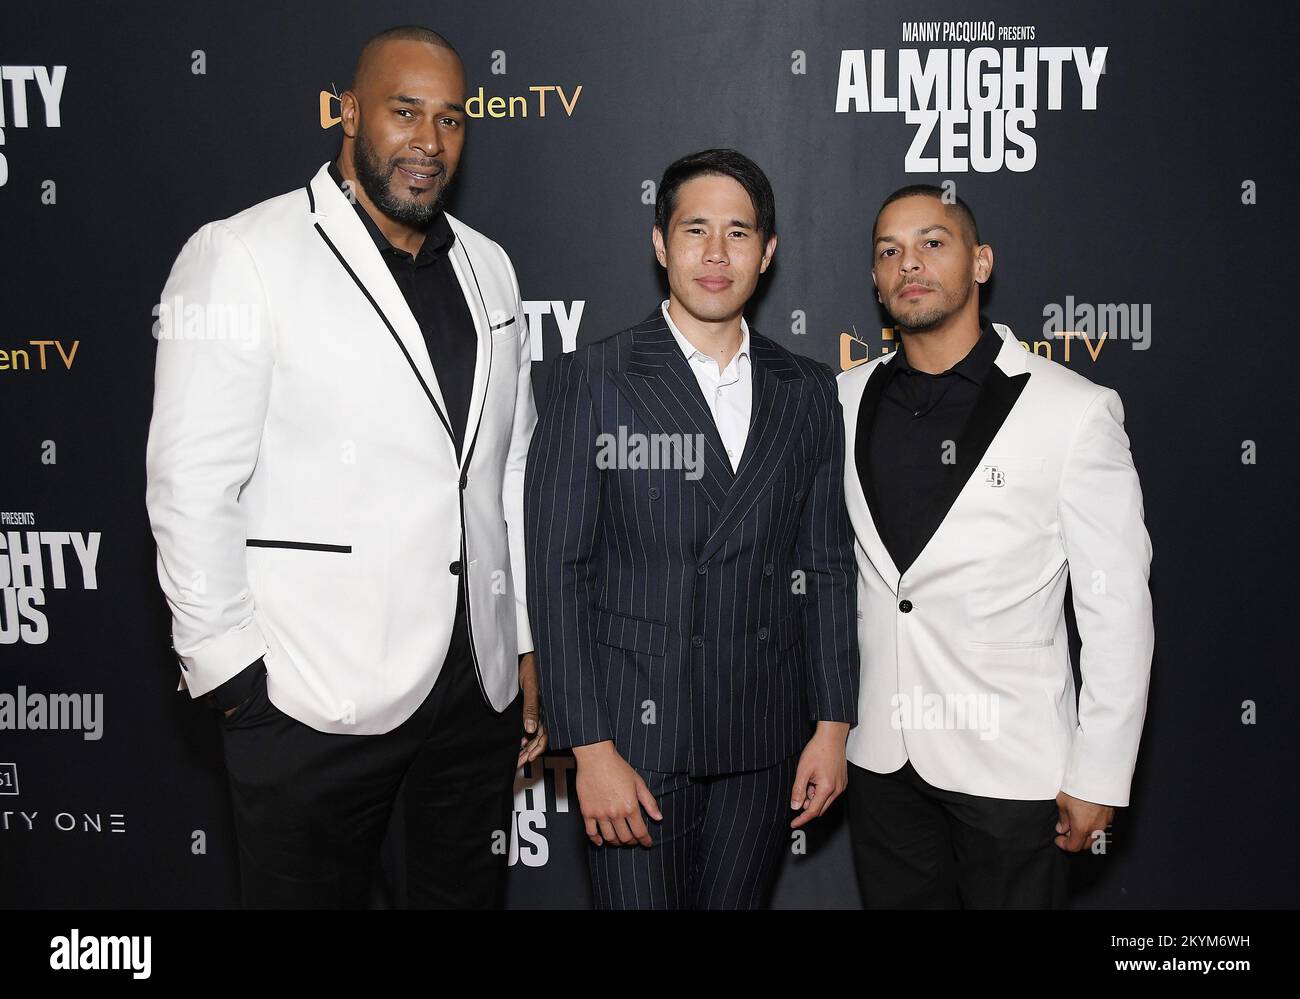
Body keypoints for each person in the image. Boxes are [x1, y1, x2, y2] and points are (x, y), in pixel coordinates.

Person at [145, 25, 545, 908]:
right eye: (405, 112)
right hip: (310, 695)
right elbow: (189, 481)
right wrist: (233, 679)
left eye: (449, 120)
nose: (428, 142)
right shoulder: (244, 254)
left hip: (469, 695)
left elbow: (507, 466)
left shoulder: (491, 267)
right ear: (351, 111)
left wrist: (517, 642)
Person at [526, 149, 858, 909]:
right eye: (695, 230)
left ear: (767, 252)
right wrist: (591, 747)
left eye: (738, 233)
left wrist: (833, 722)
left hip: (762, 736)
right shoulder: (592, 379)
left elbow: (828, 566)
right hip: (635, 739)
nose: (716, 254)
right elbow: (555, 569)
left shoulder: (807, 390)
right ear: (659, 243)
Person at [838, 184, 1154, 908]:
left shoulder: (1074, 410)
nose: (908, 263)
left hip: (1014, 768)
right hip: (882, 761)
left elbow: (1116, 605)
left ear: (980, 263)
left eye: (932, 243)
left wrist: (1099, 771)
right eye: (889, 251)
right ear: (877, 281)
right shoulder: (843, 400)